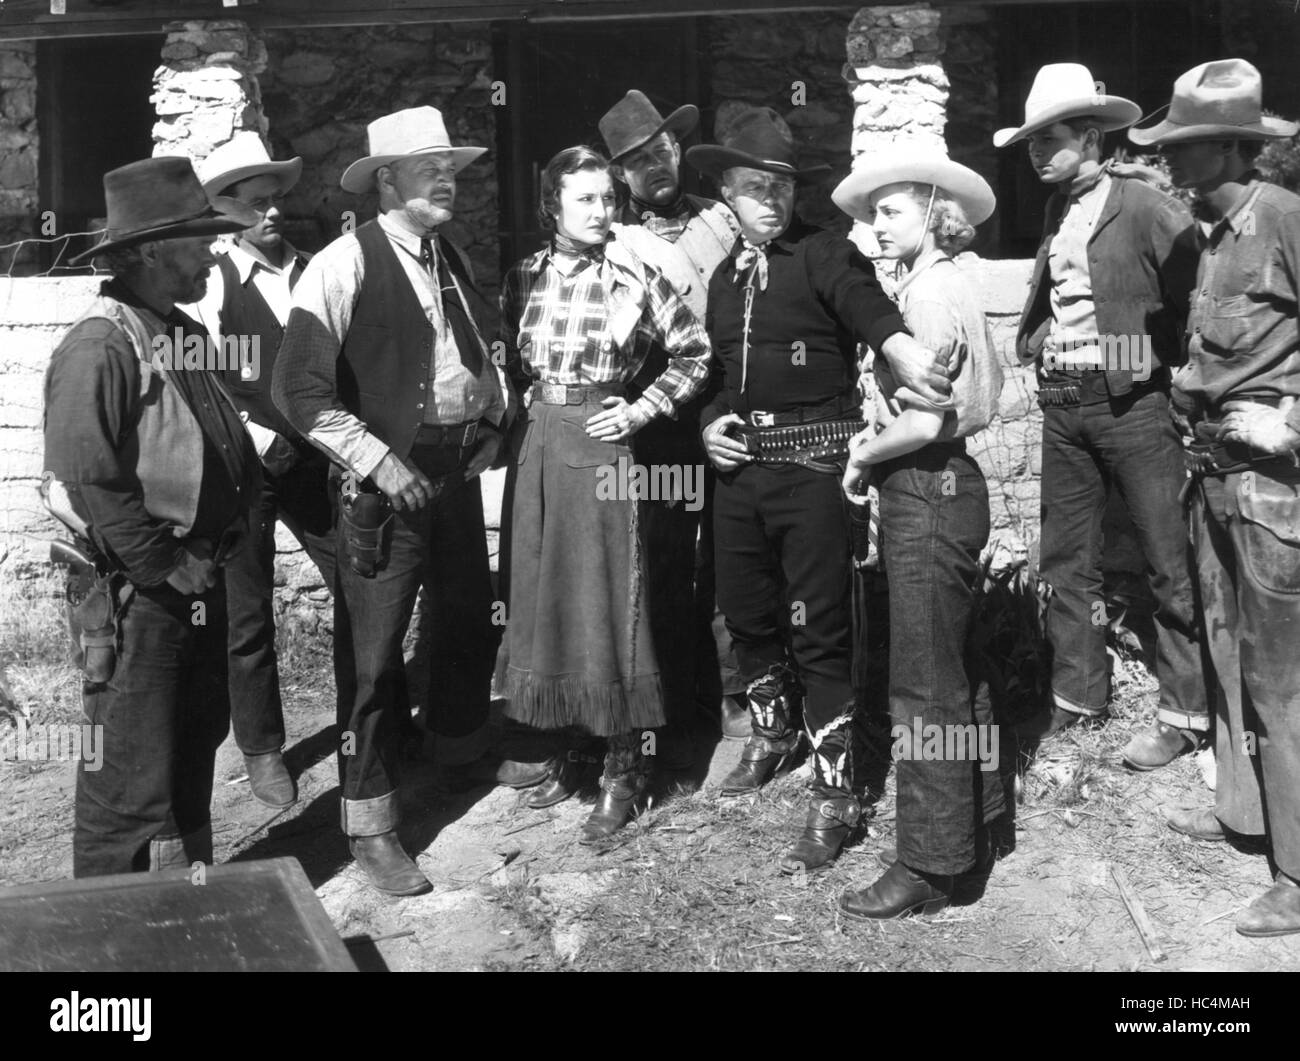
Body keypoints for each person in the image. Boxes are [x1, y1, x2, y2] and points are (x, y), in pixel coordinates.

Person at [686, 112, 950, 873]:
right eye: (752, 187)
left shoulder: (824, 250)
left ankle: (837, 789)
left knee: (821, 626)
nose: (769, 199)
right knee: (745, 612)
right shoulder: (724, 276)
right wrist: (707, 424)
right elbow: (714, 378)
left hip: (813, 471)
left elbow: (864, 304)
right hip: (739, 473)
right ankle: (775, 733)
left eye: (781, 186)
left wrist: (898, 344)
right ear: (727, 193)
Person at [273, 106, 512, 896]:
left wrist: (492, 418)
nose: (447, 178)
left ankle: (455, 752)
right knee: (373, 662)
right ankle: (370, 820)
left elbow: (475, 352)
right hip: (382, 486)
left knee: (467, 618)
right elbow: (297, 391)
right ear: (385, 181)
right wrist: (379, 460)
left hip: (453, 470)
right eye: (428, 167)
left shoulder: (454, 257)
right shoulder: (341, 264)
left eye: (451, 166)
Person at [43, 157, 259, 876]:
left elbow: (216, 435)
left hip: (195, 583)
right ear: (147, 250)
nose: (212, 249)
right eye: (197, 238)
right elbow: (89, 479)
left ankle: (180, 908)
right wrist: (166, 565)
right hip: (143, 595)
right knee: (130, 772)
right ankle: (113, 944)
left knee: (189, 746)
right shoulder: (100, 344)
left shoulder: (177, 327)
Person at [496, 145, 711, 841]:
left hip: (602, 443)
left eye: (606, 199)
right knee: (550, 591)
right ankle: (573, 746)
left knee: (612, 597)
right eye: (583, 199)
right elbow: (505, 356)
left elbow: (696, 352)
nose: (600, 210)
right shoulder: (522, 277)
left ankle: (625, 768)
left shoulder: (635, 275)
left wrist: (640, 409)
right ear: (551, 205)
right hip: (543, 442)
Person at [1130, 58, 1300, 937]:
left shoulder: (1284, 222)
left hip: (1274, 487)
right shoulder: (1212, 236)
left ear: (1237, 147)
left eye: (1188, 149)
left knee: (1286, 679)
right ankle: (1245, 812)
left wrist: (1291, 421)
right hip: (1213, 475)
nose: (1171, 165)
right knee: (1230, 654)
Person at [995, 64, 1207, 764]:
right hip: (1064, 406)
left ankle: (1187, 713)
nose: (1035, 152)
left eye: (1047, 138)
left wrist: (1148, 360)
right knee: (1065, 559)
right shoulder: (1058, 212)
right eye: (1029, 141)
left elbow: (1195, 293)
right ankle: (1077, 696)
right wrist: (1041, 344)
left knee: (1167, 557)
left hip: (1135, 409)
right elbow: (1055, 304)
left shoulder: (1143, 205)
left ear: (1089, 138)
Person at [830, 148, 1006, 918]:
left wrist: (864, 453)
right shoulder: (949, 282)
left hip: (927, 487)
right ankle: (980, 822)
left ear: (935, 214)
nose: (875, 226)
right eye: (871, 214)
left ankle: (931, 863)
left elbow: (927, 418)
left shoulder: (931, 294)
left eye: (892, 211)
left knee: (922, 686)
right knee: (959, 670)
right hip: (952, 483)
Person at [183, 132, 335, 809]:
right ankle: (263, 748)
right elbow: (202, 380)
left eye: (275, 201)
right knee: (247, 614)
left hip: (316, 458)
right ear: (227, 212)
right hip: (244, 468)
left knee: (357, 582)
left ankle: (377, 723)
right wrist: (255, 437)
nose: (270, 214)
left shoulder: (316, 271)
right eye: (253, 205)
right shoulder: (214, 282)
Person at [598, 89, 748, 750]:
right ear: (621, 175)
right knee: (662, 558)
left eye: (661, 149)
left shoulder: (722, 220)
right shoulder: (613, 241)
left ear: (679, 149)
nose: (654, 165)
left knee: (732, 554)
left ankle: (739, 698)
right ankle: (674, 706)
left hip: (728, 411)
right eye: (636, 160)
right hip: (656, 424)